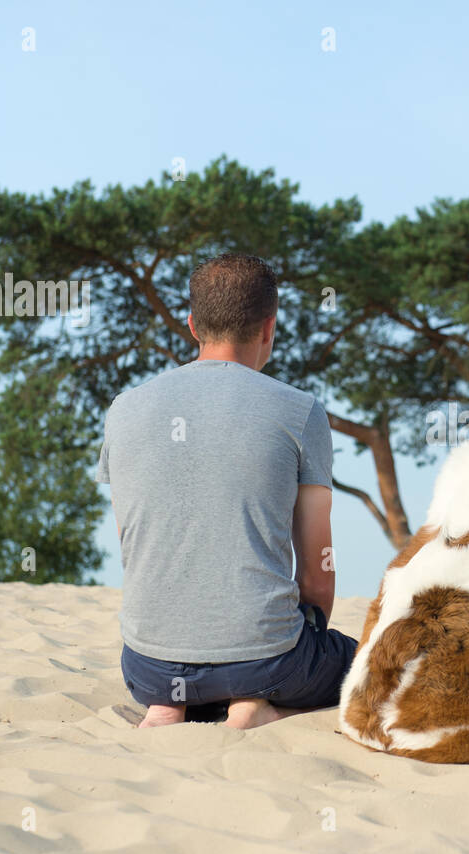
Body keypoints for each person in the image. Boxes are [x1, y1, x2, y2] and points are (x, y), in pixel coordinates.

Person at [96, 253, 356, 730]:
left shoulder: (123, 409)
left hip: (146, 666)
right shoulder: (299, 411)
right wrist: (309, 637)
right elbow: (319, 573)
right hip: (269, 661)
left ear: (193, 325)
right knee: (363, 664)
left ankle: (169, 706)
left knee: (191, 675)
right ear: (269, 328)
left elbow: (134, 547)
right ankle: (253, 702)